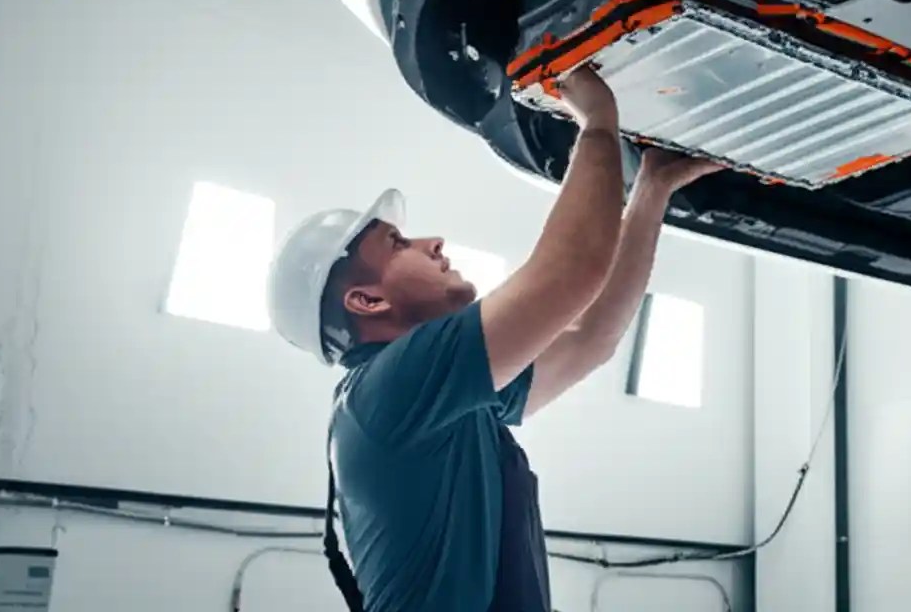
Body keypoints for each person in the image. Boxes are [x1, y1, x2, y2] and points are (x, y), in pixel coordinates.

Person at [266, 67, 721, 612]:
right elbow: (569, 272)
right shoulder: (388, 391)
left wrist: (651, 188)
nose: (432, 242)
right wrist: (598, 122)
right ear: (366, 301)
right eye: (398, 243)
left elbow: (587, 335)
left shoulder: (443, 400)